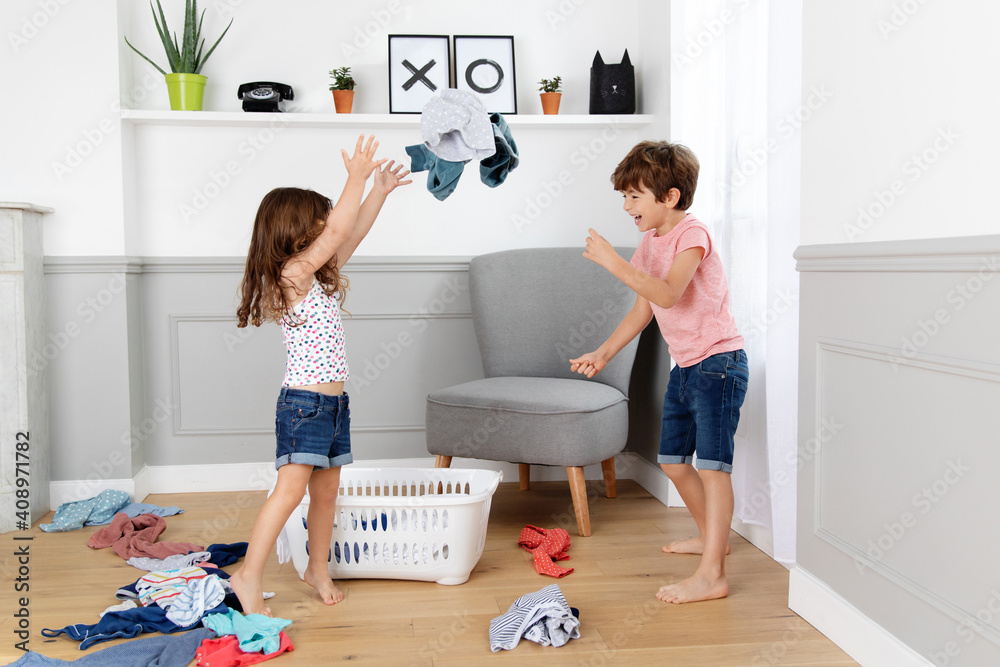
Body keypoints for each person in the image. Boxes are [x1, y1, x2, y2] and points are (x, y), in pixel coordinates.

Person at [231, 135, 411, 616]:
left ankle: (317, 566)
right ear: (294, 232)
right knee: (289, 492)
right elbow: (336, 233)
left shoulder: (316, 274)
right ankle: (247, 574)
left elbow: (350, 236)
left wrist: (378, 190)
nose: (327, 230)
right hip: (304, 405)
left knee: (327, 493)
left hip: (333, 405)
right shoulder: (293, 275)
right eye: (318, 223)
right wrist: (354, 179)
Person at [569, 140, 748, 604]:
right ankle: (715, 540)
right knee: (672, 461)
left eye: (634, 196)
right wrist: (604, 352)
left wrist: (613, 262)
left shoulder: (693, 235)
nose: (627, 206)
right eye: (624, 196)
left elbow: (669, 293)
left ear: (669, 197)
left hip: (719, 364)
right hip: (686, 365)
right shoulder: (650, 243)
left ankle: (713, 575)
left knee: (712, 468)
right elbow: (643, 311)